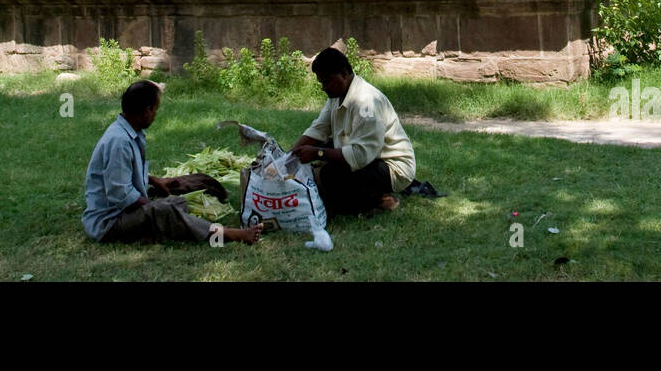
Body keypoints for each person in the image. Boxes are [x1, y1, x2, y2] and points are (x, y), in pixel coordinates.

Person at [83, 79, 261, 245]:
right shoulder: (119, 142)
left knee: (179, 196)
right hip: (110, 223)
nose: (155, 115)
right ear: (146, 110)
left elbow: (125, 173)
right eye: (155, 110)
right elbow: (120, 194)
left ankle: (157, 227)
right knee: (167, 209)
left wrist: (156, 181)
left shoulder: (129, 132)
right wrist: (154, 207)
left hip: (125, 210)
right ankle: (228, 234)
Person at [290, 47, 416, 215]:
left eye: (327, 81)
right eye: (321, 82)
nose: (323, 87)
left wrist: (319, 154)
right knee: (322, 173)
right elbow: (318, 130)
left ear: (344, 74)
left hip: (392, 167)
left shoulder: (366, 103)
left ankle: (381, 200)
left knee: (329, 178)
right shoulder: (337, 96)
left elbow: (360, 155)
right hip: (366, 155)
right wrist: (287, 159)